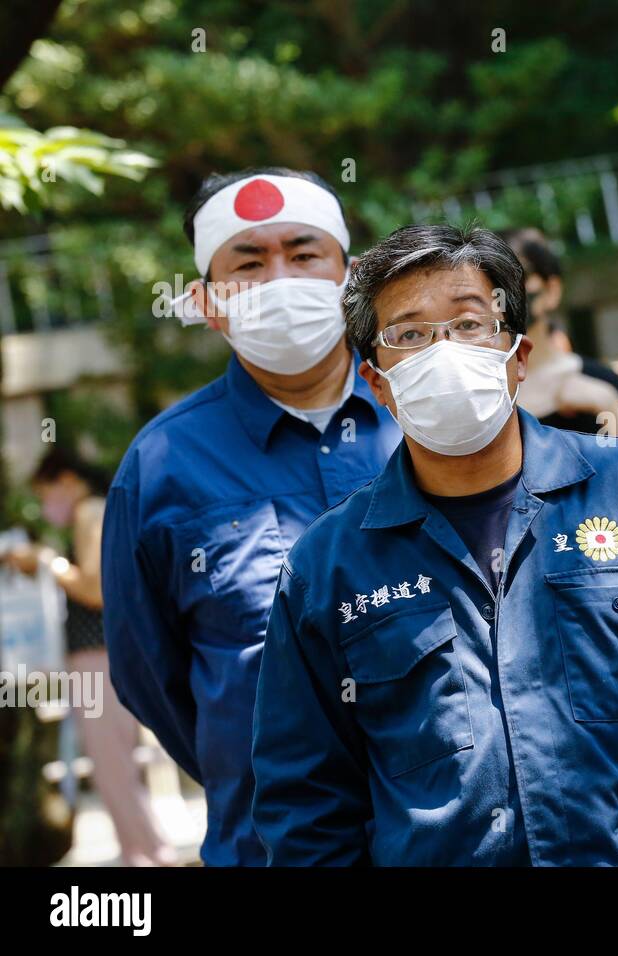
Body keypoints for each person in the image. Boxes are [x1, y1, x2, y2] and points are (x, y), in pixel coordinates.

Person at [251, 224, 618, 866]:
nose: (443, 351)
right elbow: (306, 808)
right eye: (409, 335)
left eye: (470, 324)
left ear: (518, 356)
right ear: (378, 383)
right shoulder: (327, 567)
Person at [101, 167, 402, 865]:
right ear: (208, 303)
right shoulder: (160, 466)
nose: (280, 281)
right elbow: (152, 676)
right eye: (249, 261)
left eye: (303, 255)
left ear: (352, 280)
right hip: (270, 848)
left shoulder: (432, 419)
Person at [5, 446, 176, 866]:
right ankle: (141, 850)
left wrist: (48, 563)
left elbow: (95, 589)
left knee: (111, 764)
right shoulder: (98, 509)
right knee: (113, 764)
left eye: (45, 494)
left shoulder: (89, 512)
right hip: (105, 655)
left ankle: (148, 854)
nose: (45, 506)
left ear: (65, 481)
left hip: (99, 657)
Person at [500, 227, 618, 436]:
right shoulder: (475, 395)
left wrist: (608, 405)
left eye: (519, 274)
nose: (507, 289)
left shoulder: (600, 382)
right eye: (495, 279)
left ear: (551, 289)